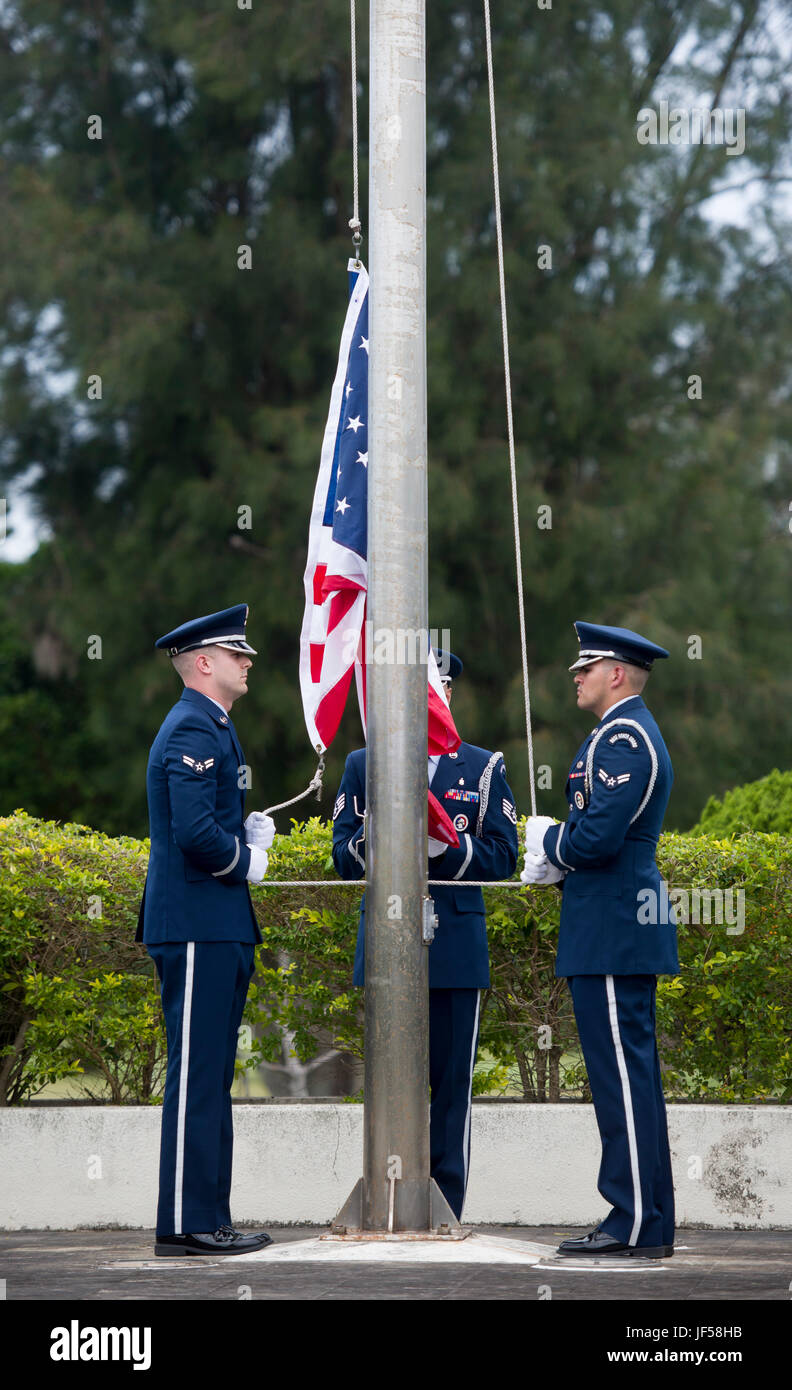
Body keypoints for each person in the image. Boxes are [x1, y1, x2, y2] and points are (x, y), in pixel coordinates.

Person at [331, 651, 518, 1220]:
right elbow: (342, 855)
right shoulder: (366, 764)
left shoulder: (483, 767)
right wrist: (383, 841)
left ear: (446, 697)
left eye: (431, 691)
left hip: (454, 949)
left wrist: (449, 850)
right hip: (387, 948)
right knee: (390, 1084)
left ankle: (446, 1206)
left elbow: (505, 854)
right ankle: (388, 1201)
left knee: (450, 1088)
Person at [521, 621, 678, 1259]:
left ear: (616, 673)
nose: (577, 677)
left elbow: (597, 841)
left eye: (586, 668)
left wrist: (547, 841)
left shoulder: (625, 738)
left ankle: (635, 1221)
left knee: (623, 1080)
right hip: (606, 926)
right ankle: (638, 1216)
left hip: (615, 928)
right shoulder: (613, 736)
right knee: (620, 1079)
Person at [136, 603, 276, 1257]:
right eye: (236, 653)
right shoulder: (194, 726)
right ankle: (192, 1221)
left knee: (210, 1075)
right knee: (198, 1076)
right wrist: (245, 857)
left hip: (211, 923)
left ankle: (203, 1217)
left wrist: (241, 842)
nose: (247, 661)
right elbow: (193, 833)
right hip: (196, 923)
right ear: (203, 663)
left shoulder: (210, 724)